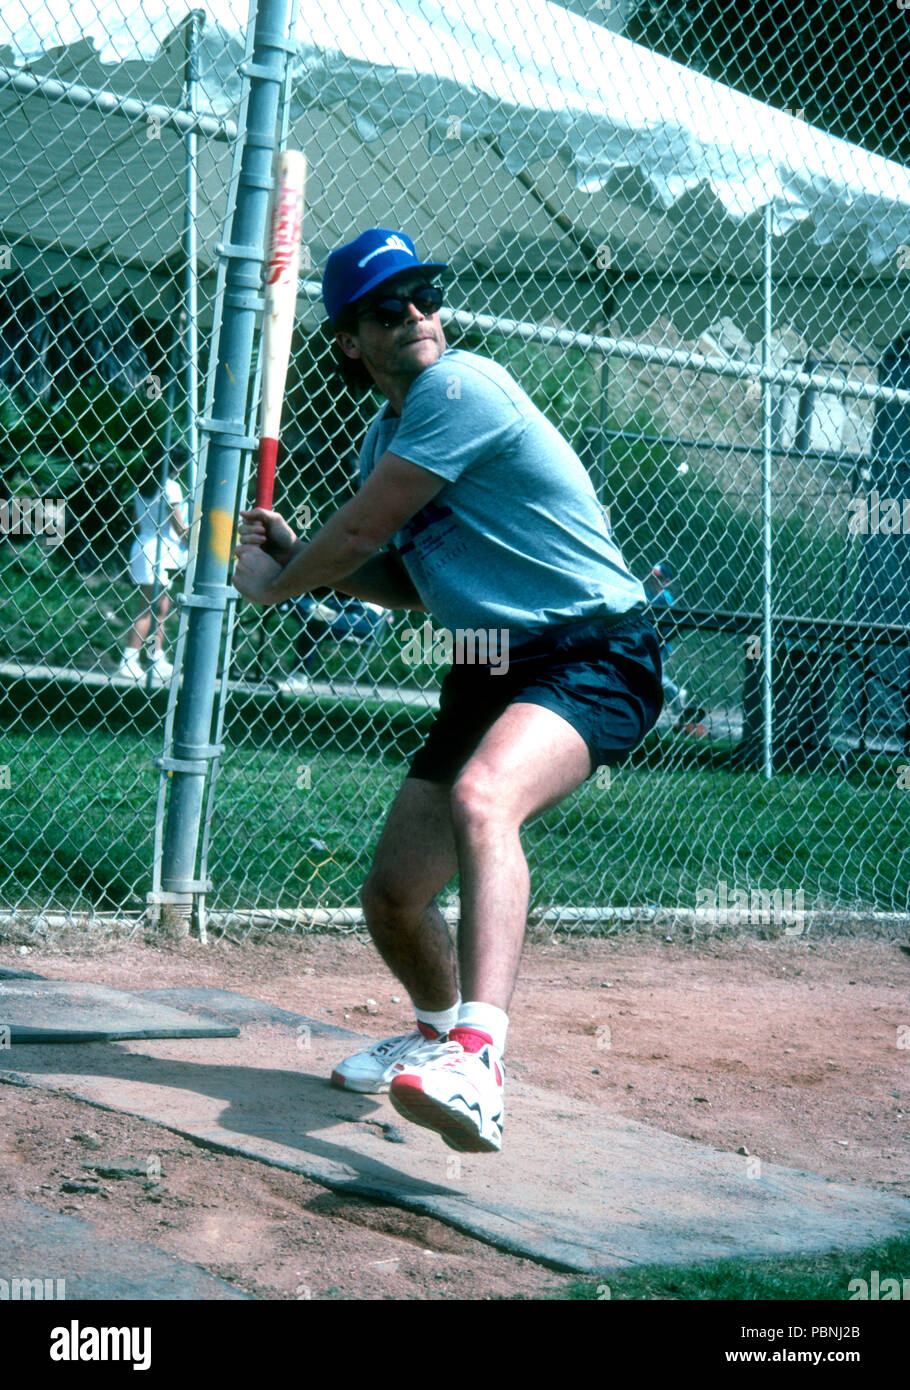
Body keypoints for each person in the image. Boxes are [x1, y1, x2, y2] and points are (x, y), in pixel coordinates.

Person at [232, 227, 663, 1154]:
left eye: (426, 294)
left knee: (484, 799)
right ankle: (432, 1034)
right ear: (350, 341)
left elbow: (353, 537)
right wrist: (303, 555)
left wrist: (290, 574)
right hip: (485, 661)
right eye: (388, 308)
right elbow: (399, 574)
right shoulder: (383, 434)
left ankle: (480, 1059)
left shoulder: (464, 387)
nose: (418, 315)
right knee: (392, 895)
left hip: (593, 649)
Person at [118, 446, 188, 681]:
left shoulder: (143, 486)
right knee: (149, 608)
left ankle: (155, 656)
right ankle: (129, 658)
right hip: (159, 551)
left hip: (145, 545)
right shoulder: (171, 488)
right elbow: (179, 529)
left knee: (160, 608)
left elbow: (138, 522)